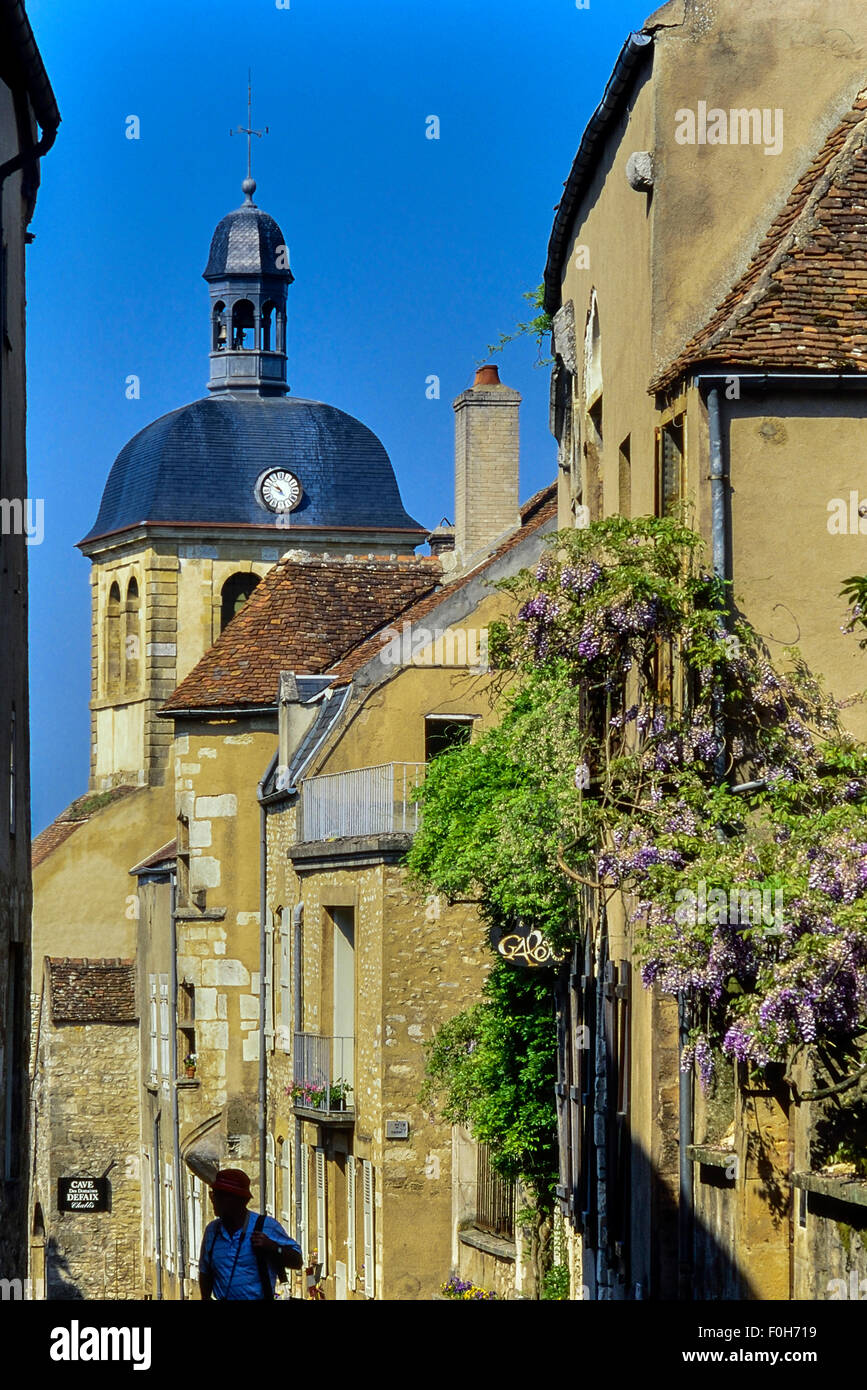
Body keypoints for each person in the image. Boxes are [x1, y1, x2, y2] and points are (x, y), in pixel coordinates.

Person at [198, 1168, 302, 1301]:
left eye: (218, 1196)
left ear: (237, 1200)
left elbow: (297, 1261)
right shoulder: (212, 1231)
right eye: (213, 1195)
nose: (213, 1200)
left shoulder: (265, 1226)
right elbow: (205, 1271)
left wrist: (274, 1247)